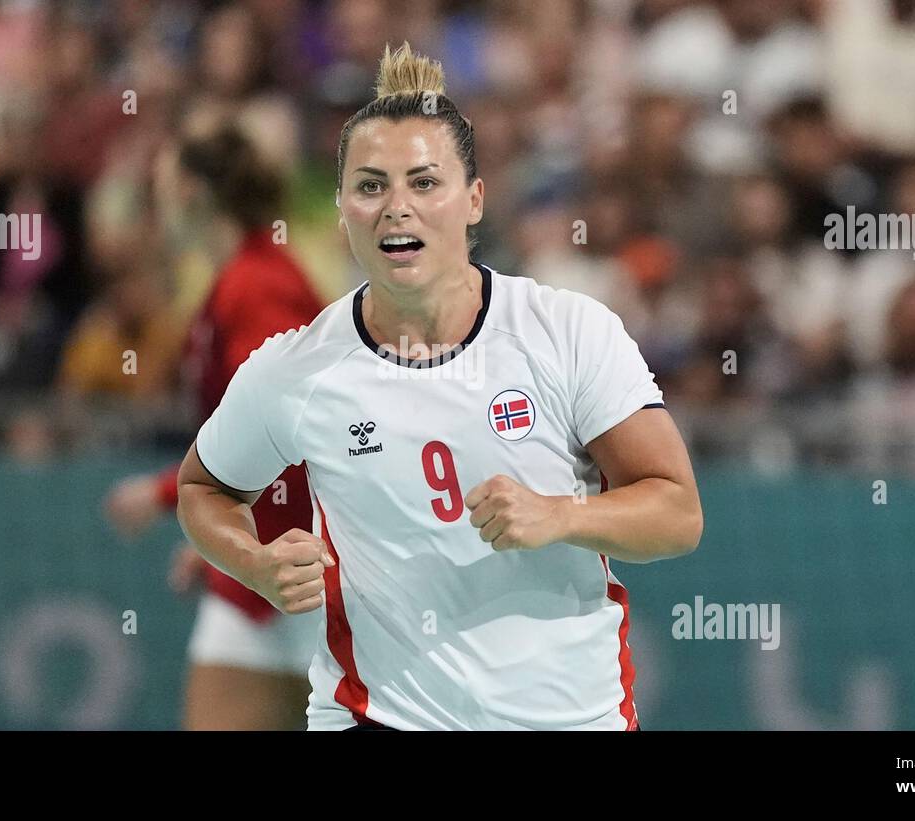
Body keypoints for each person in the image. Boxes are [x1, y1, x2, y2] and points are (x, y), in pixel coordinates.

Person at [175, 44, 703, 731]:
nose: (398, 207)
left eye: (425, 183)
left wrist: (562, 515)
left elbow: (678, 513)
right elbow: (203, 487)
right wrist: (254, 562)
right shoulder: (298, 368)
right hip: (376, 717)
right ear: (341, 210)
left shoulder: (566, 330)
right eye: (370, 187)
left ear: (474, 199)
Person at [104, 126, 324, 730]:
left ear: (194, 194)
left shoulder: (258, 287)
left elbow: (283, 430)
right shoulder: (243, 277)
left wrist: (167, 496)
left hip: (299, 575)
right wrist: (225, 540)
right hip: (275, 570)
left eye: (163, 188)